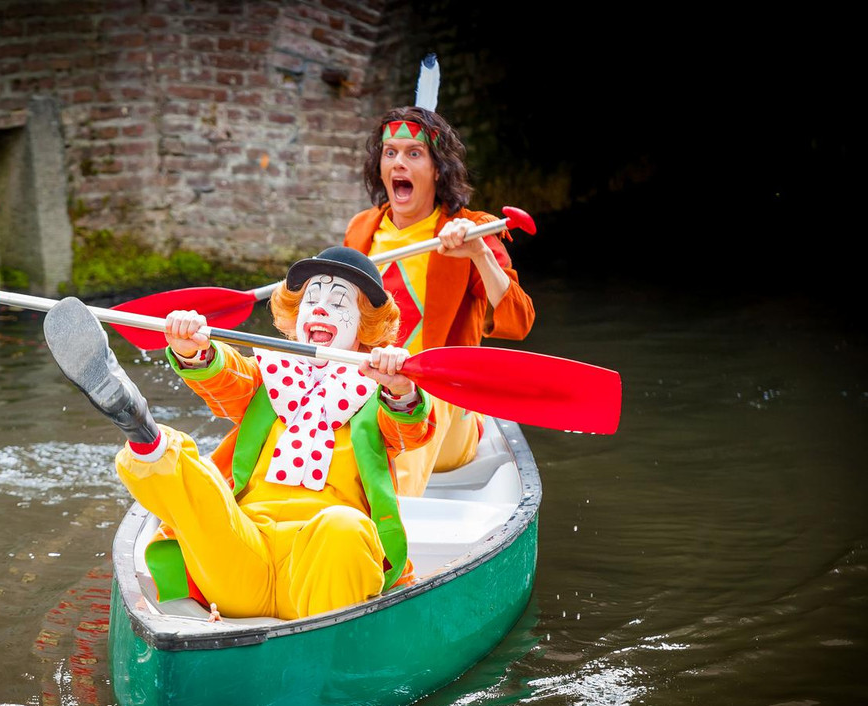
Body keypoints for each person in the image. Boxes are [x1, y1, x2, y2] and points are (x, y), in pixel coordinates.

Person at [42, 247, 436, 621]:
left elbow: (411, 432)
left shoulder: (378, 392)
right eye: (311, 300)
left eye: (337, 303)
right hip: (243, 555)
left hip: (323, 569)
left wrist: (401, 388)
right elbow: (227, 375)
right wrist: (194, 349)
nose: (319, 308)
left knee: (344, 527)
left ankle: (318, 647)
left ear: (366, 325)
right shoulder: (270, 374)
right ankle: (137, 423)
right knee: (191, 471)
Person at [345, 106, 536, 495]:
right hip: (368, 396)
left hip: (445, 407)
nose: (399, 162)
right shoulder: (361, 230)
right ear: (380, 166)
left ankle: (391, 529)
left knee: (417, 392)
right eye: (391, 152)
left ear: (437, 170)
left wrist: (480, 254)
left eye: (414, 153)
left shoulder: (472, 231)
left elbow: (519, 323)